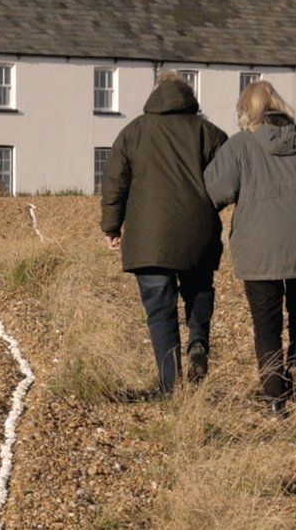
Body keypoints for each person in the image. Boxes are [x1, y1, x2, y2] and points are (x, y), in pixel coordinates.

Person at [204, 81, 296, 417]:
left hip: (257, 249)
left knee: (266, 320)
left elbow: (215, 191)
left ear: (247, 112)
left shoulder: (241, 146)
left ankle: (274, 394)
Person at [100, 71, 228, 396]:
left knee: (160, 309)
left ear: (156, 93)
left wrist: (111, 227)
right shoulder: (210, 133)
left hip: (148, 238)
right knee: (199, 288)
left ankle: (170, 385)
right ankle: (197, 341)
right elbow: (229, 181)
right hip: (198, 230)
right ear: (190, 95)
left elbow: (115, 183)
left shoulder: (133, 132)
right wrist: (211, 206)